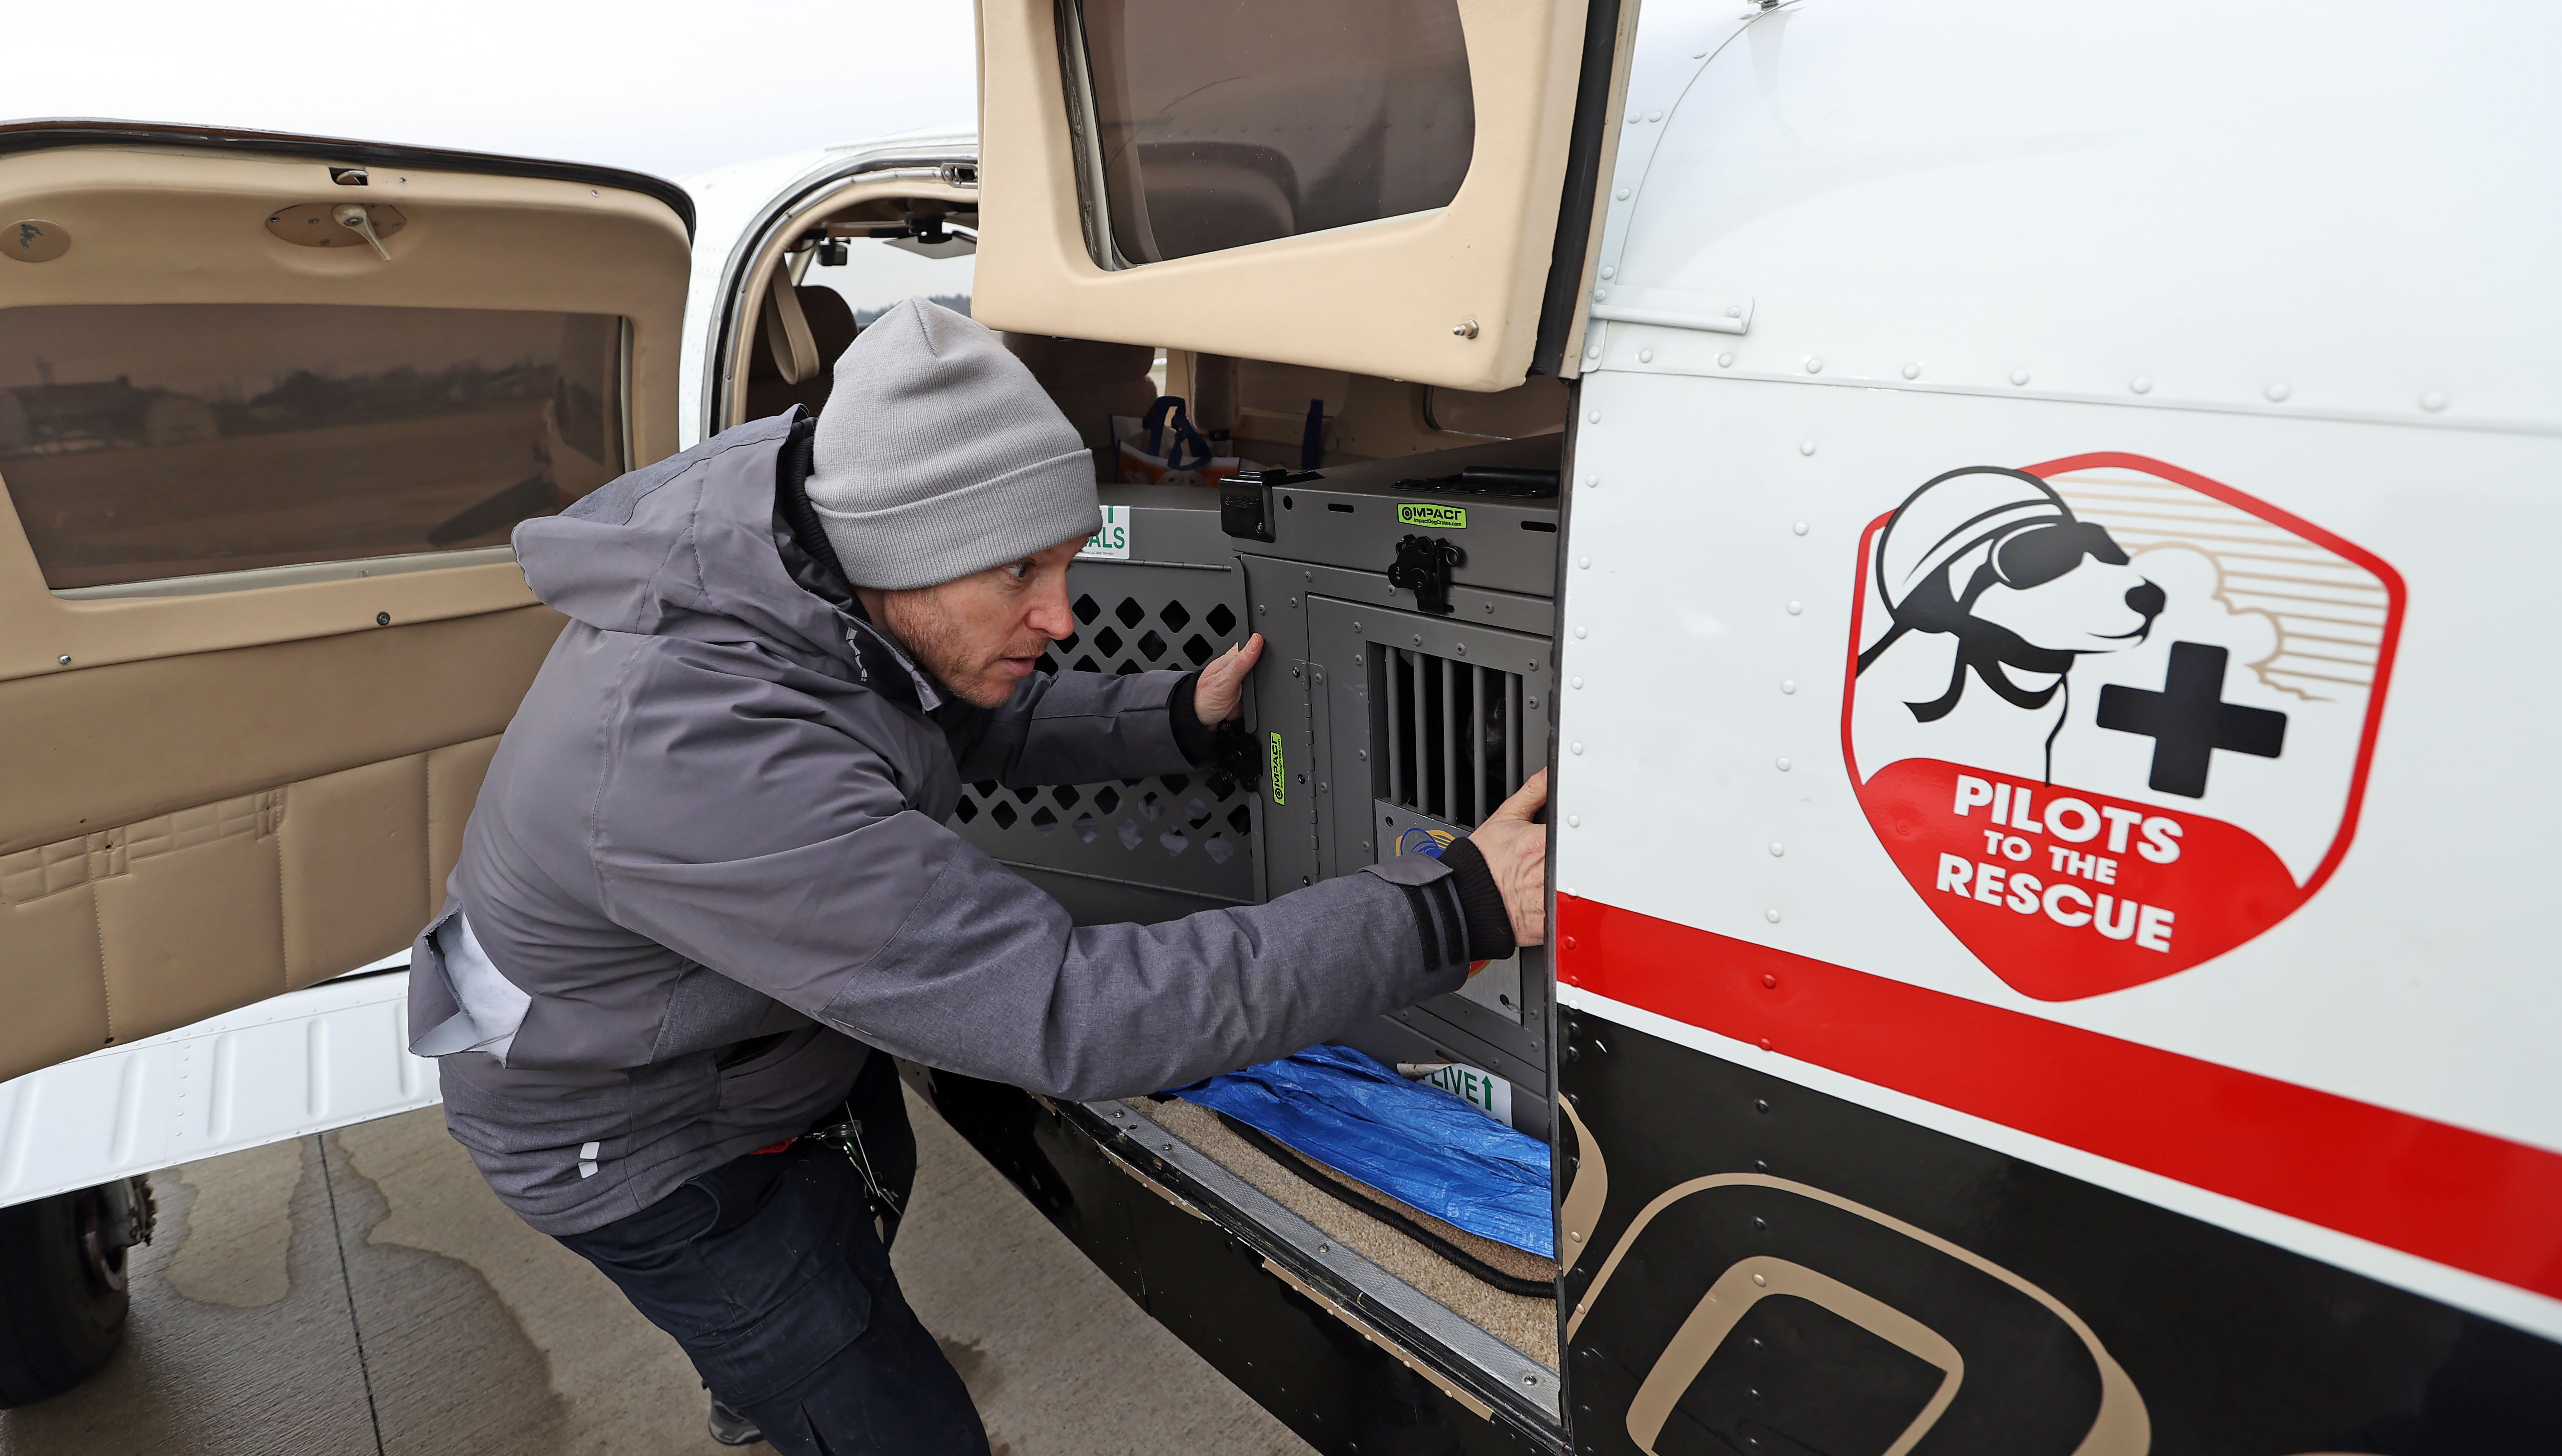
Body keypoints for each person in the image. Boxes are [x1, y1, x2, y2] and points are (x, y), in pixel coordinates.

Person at [404, 299, 1549, 1453]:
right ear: (904, 556)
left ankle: (766, 1367)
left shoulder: (808, 561)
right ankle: (769, 1385)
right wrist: (1448, 905)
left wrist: (1174, 715)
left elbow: (937, 716)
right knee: (869, 1396)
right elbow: (1077, 1015)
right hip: (641, 1135)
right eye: (1020, 572)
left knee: (870, 1176)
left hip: (757, 1048)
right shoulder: (701, 760)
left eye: (1062, 560)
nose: (1059, 614)